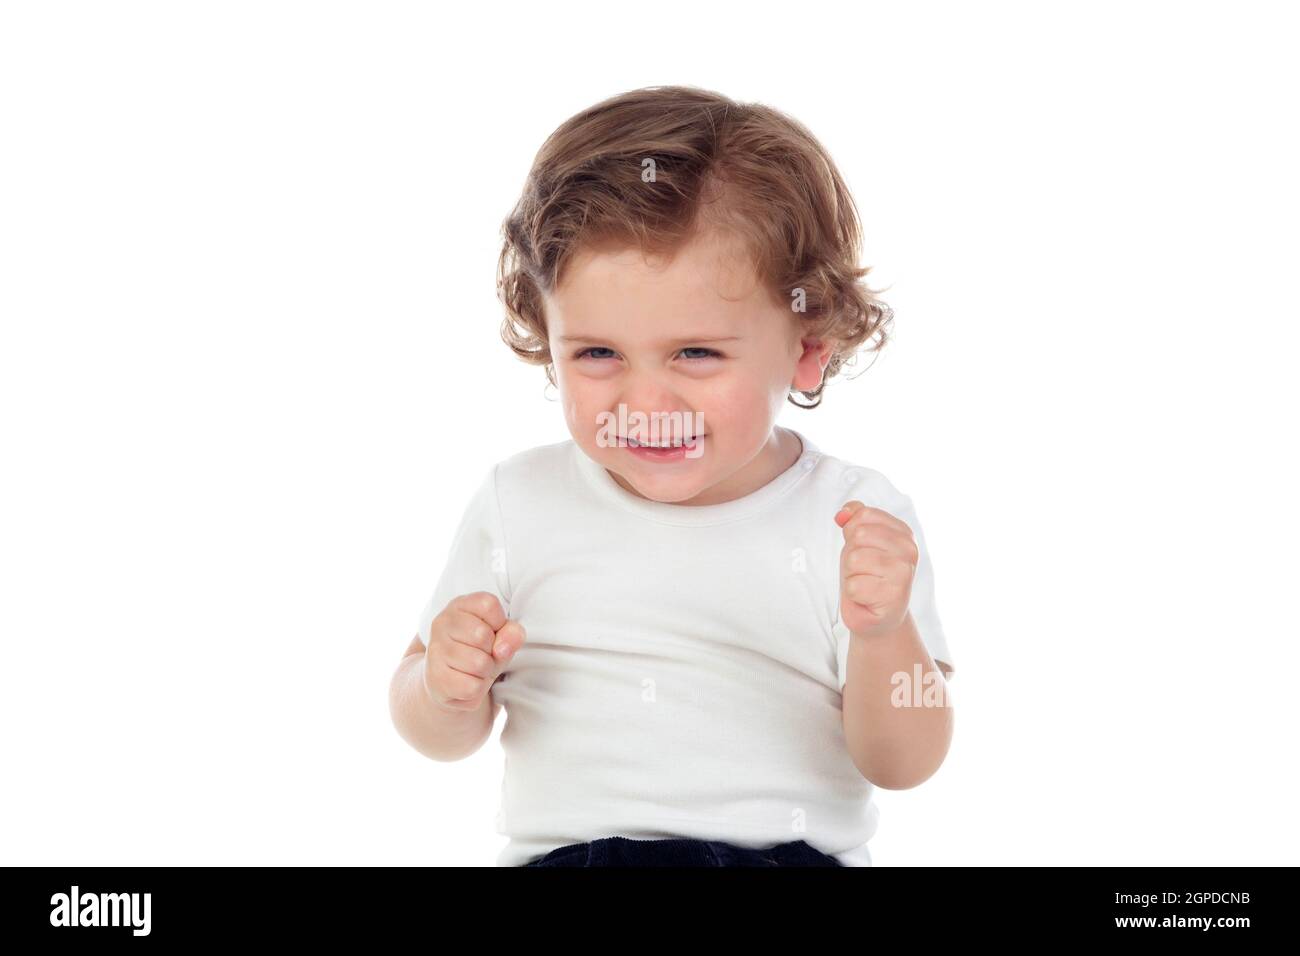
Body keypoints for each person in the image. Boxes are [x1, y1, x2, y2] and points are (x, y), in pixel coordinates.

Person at [389, 85, 956, 867]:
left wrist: (884, 634)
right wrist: (442, 687)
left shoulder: (854, 518)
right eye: (597, 353)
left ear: (808, 346)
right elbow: (433, 729)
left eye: (695, 353)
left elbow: (903, 763)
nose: (645, 403)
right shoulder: (519, 503)